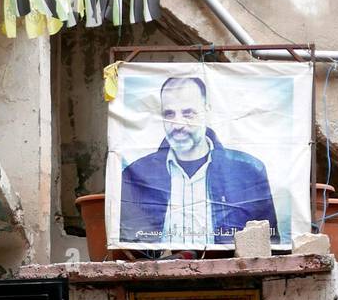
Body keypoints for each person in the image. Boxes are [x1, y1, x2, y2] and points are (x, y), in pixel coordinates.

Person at [119, 75, 278, 246]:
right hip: (160, 270)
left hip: (228, 271)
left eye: (188, 113)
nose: (178, 124)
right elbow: (128, 241)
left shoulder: (249, 171)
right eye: (169, 114)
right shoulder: (135, 175)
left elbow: (268, 243)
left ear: (206, 112)